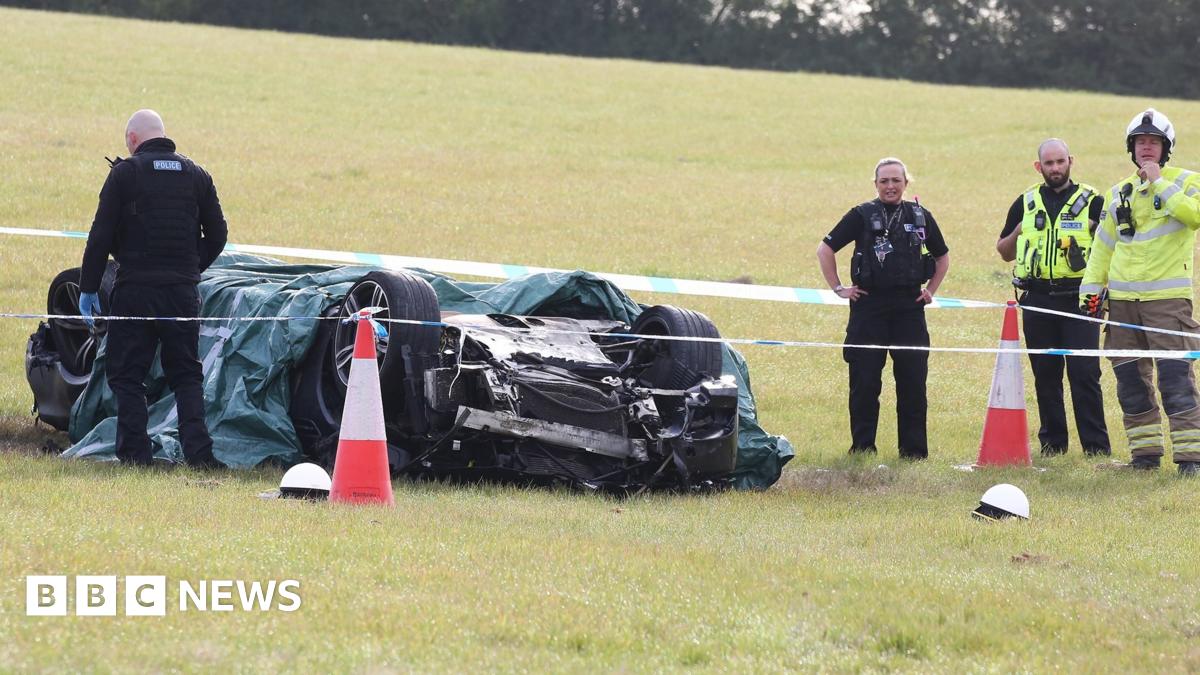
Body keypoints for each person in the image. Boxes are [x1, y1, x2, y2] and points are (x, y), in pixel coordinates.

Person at [78, 109, 228, 468]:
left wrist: (87, 289)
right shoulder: (197, 175)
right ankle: (200, 456)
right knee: (186, 373)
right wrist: (189, 268)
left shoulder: (124, 175)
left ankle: (135, 457)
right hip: (181, 292)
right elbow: (219, 236)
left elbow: (99, 238)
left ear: (132, 140)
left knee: (127, 374)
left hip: (135, 290)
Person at [1080, 108, 1200, 475]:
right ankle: (1144, 458)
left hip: (1167, 305)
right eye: (1140, 142)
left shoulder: (1186, 182)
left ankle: (1191, 461)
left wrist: (1159, 182)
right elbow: (1102, 247)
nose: (1147, 148)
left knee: (1176, 381)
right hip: (1122, 307)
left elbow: (1193, 216)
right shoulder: (1118, 193)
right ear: (1131, 148)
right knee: (1131, 383)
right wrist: (1090, 291)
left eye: (1154, 142)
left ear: (1166, 149)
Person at [816, 158, 950, 459]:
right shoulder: (861, 215)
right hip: (868, 306)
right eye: (884, 181)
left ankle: (914, 453)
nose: (890, 186)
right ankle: (863, 448)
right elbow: (825, 249)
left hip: (909, 308)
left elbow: (942, 257)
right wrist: (839, 288)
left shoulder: (920, 215)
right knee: (864, 381)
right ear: (875, 184)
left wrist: (931, 291)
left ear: (906, 183)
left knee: (913, 382)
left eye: (896, 181)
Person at [996, 139, 1111, 457]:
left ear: (1071, 161)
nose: (1056, 168)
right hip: (1036, 297)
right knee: (1045, 374)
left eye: (1061, 161)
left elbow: (1114, 251)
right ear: (1039, 167)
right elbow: (1003, 252)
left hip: (1082, 297)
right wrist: (1018, 231)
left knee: (1085, 372)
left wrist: (1103, 300)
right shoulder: (1026, 202)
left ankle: (1097, 448)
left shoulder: (1093, 201)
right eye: (1049, 163)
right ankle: (1052, 446)